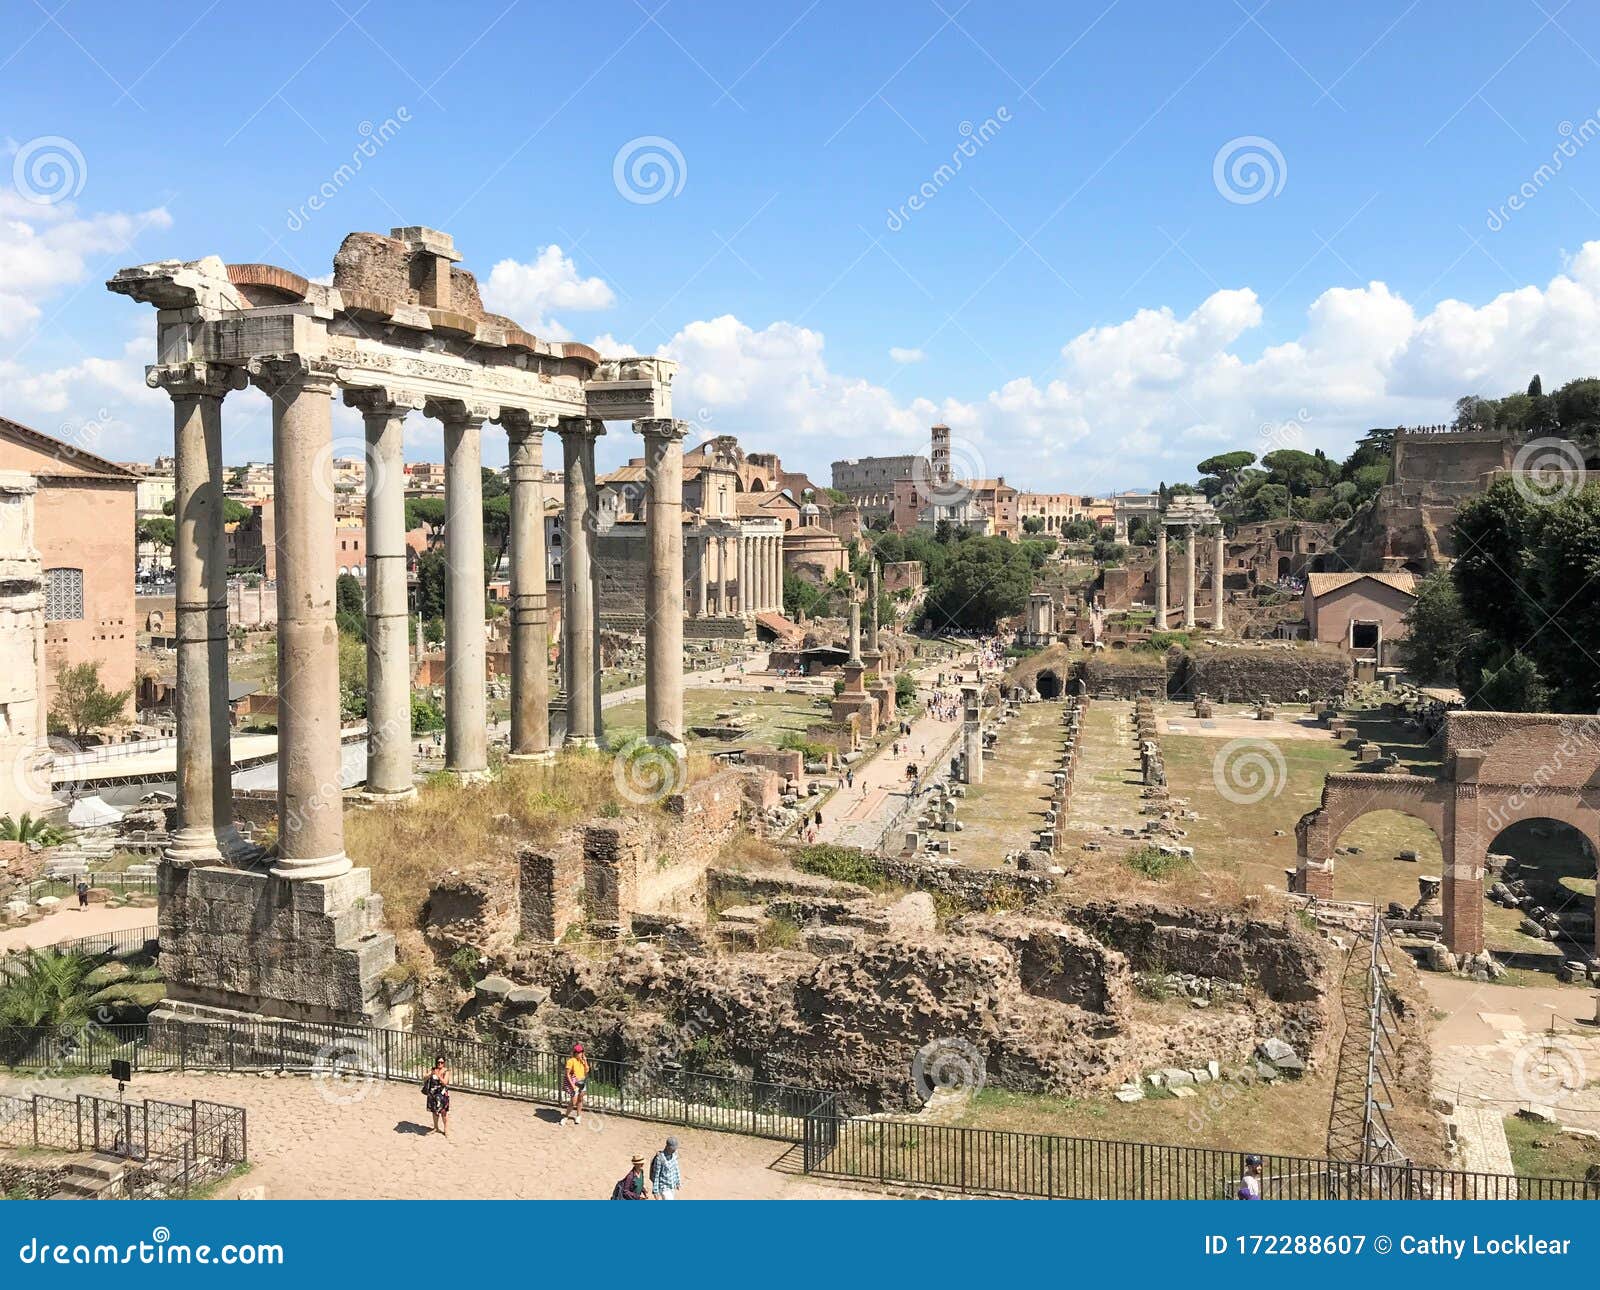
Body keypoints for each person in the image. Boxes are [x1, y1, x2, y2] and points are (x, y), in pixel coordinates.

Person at [422, 1055, 451, 1137]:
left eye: (442, 1062)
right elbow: (424, 1078)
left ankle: (446, 1129)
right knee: (434, 1111)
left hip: (442, 1094)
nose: (440, 1064)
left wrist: (438, 1076)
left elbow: (445, 1082)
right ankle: (436, 1127)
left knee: (443, 1112)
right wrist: (430, 1074)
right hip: (433, 1093)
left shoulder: (446, 1071)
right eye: (438, 1062)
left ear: (444, 1063)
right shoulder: (433, 1069)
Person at [563, 1042, 589, 1125]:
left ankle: (578, 1116)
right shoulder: (571, 1061)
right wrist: (572, 1085)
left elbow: (587, 1070)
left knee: (580, 1099)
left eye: (581, 1052)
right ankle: (566, 1116)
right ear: (575, 1053)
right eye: (578, 1052)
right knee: (573, 1101)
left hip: (582, 1081)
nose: (580, 1054)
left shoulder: (582, 1061)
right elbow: (567, 1074)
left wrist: (585, 1061)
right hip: (575, 1082)